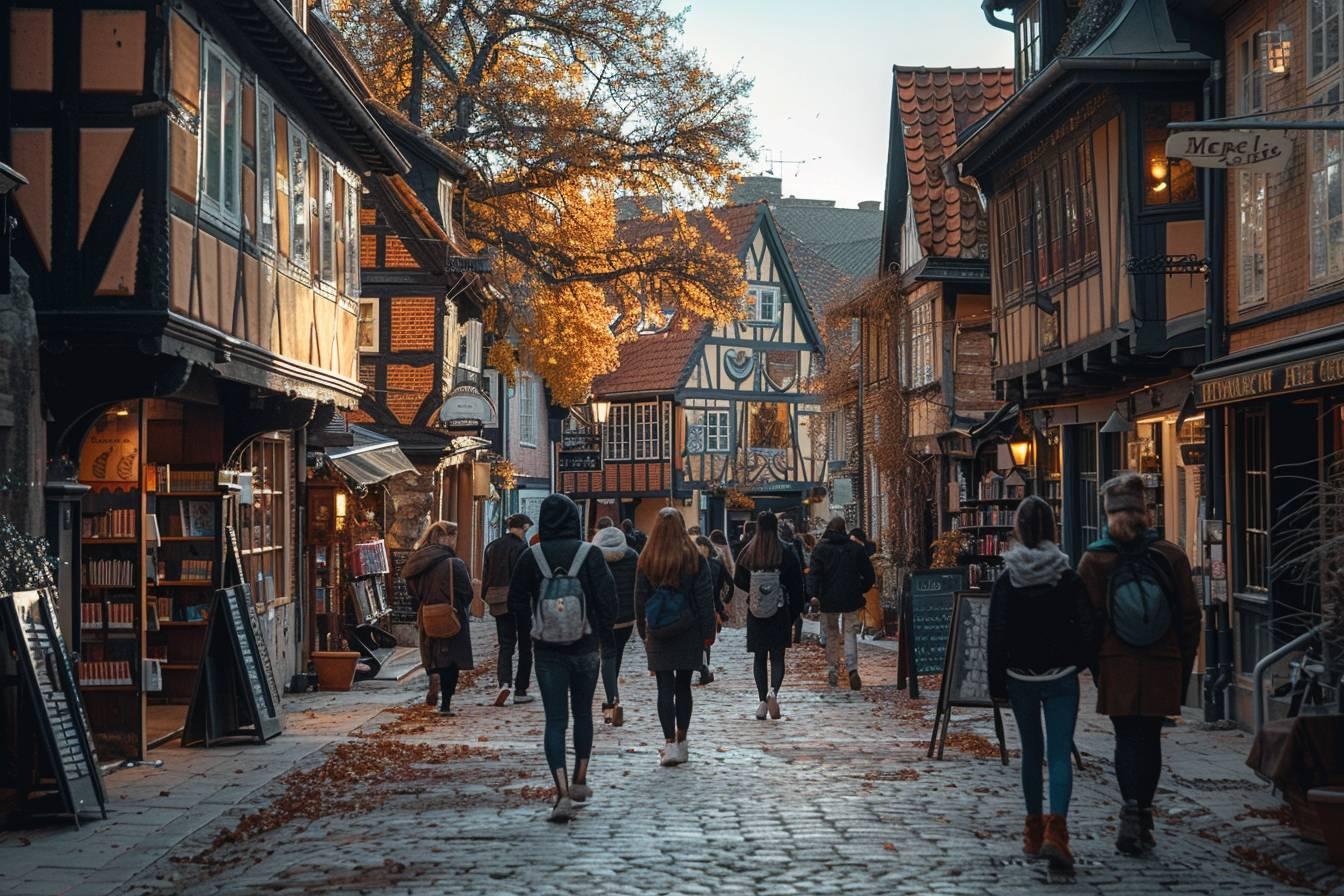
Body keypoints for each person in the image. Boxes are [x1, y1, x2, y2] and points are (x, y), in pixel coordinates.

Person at [1078, 473, 1200, 856]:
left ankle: (1131, 811)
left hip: (1117, 664)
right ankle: (1143, 814)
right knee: (1150, 739)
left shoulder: (1095, 559)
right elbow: (1190, 618)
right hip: (1163, 662)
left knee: (1126, 738)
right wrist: (1181, 667)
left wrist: (1097, 666)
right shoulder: (1170, 555)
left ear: (1109, 513)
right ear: (1144, 511)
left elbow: (1085, 622)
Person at [988, 496, 1097, 871]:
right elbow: (1088, 627)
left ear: (1017, 530)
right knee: (1060, 753)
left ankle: (1033, 832)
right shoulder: (1066, 577)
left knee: (1031, 753)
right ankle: (1058, 833)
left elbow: (996, 634)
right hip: (1061, 676)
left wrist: (996, 683)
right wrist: (1078, 661)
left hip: (1020, 677)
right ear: (1053, 528)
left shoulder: (1007, 580)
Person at [507, 494, 618, 822]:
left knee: (555, 721)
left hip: (547, 651)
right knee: (583, 715)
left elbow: (515, 602)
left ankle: (561, 791)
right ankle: (580, 779)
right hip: (585, 648)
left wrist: (532, 629)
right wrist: (603, 635)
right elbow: (609, 601)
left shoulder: (532, 556)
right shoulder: (590, 554)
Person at [634, 509, 715, 766]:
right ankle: (682, 740)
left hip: (658, 631)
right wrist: (708, 632)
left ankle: (669, 743)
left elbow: (640, 598)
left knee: (664, 688)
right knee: (683, 687)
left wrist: (642, 628)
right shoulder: (693, 557)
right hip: (688, 628)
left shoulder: (647, 558)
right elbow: (704, 597)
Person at [733, 512, 805, 720]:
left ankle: (762, 701)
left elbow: (738, 578)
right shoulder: (785, 551)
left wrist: (754, 590)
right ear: (776, 527)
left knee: (759, 656)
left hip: (756, 611)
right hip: (779, 610)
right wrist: (794, 612)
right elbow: (796, 584)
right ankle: (773, 692)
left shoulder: (749, 552)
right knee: (777, 656)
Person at [403, 521, 474, 716]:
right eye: (454, 536)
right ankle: (446, 704)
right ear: (446, 538)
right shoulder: (454, 563)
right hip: (451, 614)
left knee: (432, 653)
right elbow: (467, 593)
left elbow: (411, 591)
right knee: (450, 659)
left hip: (426, 613)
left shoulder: (416, 561)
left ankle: (434, 674)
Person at [808, 516, 875, 690]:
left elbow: (814, 574)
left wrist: (813, 594)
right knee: (850, 633)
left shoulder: (820, 549)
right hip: (851, 597)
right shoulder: (855, 548)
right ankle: (852, 669)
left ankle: (833, 668)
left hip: (828, 598)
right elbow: (869, 574)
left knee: (832, 633)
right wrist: (861, 588)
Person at [481, 513, 534, 706]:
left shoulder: (492, 546)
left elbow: (486, 575)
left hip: (498, 600)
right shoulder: (522, 548)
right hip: (519, 601)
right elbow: (527, 577)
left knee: (505, 645)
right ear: (525, 527)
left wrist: (487, 596)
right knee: (525, 646)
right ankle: (521, 690)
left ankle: (504, 683)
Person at [591, 523, 639, 726]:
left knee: (606, 655)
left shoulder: (593, 557)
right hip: (626, 617)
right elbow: (638, 586)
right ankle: (612, 696)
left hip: (602, 615)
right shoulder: (632, 556)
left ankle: (612, 701)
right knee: (615, 654)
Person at [694, 535, 732, 685]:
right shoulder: (716, 564)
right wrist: (724, 601)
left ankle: (701, 667)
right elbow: (730, 584)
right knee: (706, 639)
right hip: (713, 606)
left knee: (698, 639)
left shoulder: (694, 565)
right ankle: (704, 667)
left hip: (696, 606)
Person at [779, 520, 808, 645]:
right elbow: (801, 559)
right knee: (796, 605)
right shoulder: (796, 542)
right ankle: (797, 635)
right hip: (797, 575)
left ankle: (786, 632)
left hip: (782, 578)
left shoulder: (779, 543)